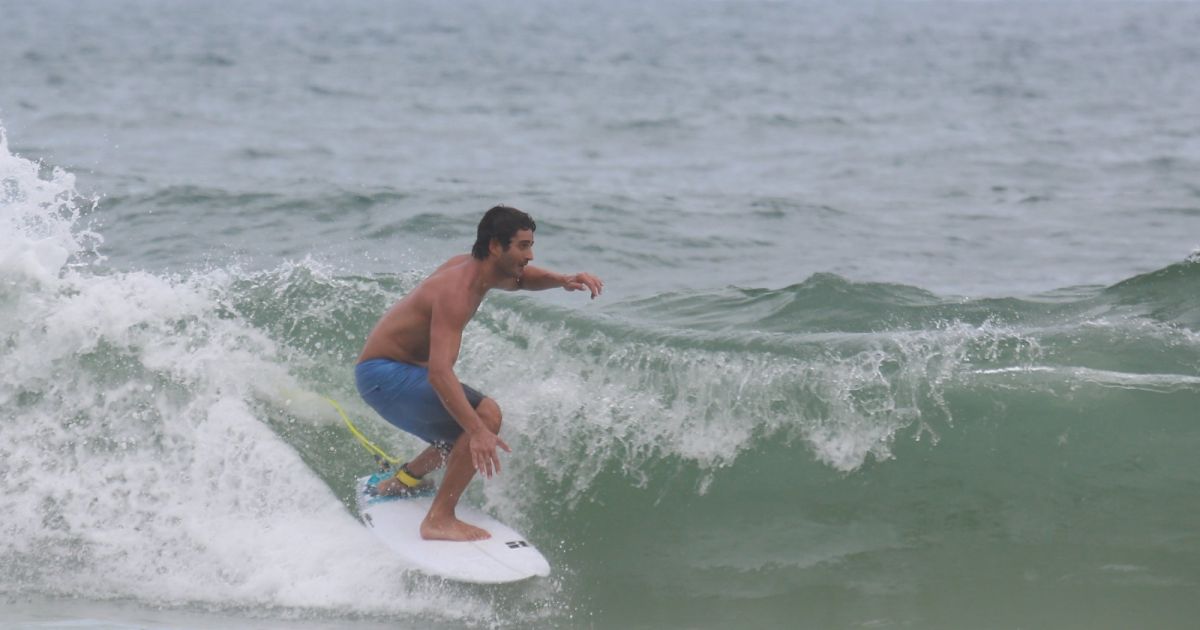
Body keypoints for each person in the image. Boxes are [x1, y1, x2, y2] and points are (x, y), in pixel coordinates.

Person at [355, 205, 603, 541]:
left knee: (463, 425)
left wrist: (563, 280)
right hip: (384, 375)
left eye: (530, 245)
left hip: (390, 372)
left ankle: (404, 482)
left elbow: (519, 279)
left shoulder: (476, 269)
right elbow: (440, 374)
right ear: (495, 247)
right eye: (523, 246)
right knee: (485, 415)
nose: (530, 255)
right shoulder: (456, 291)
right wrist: (477, 431)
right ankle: (438, 520)